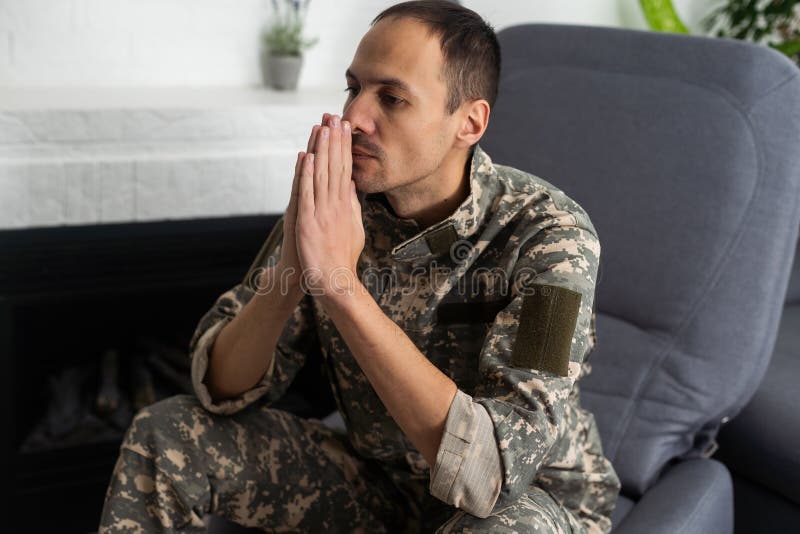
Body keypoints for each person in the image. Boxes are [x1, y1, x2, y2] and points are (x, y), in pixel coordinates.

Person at [98, 1, 621, 532]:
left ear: (469, 121)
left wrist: (342, 288)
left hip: (525, 504)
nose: (354, 119)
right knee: (167, 431)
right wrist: (293, 272)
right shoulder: (338, 206)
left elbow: (491, 472)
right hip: (382, 485)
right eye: (354, 88)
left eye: (392, 98)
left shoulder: (552, 235)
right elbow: (221, 389)